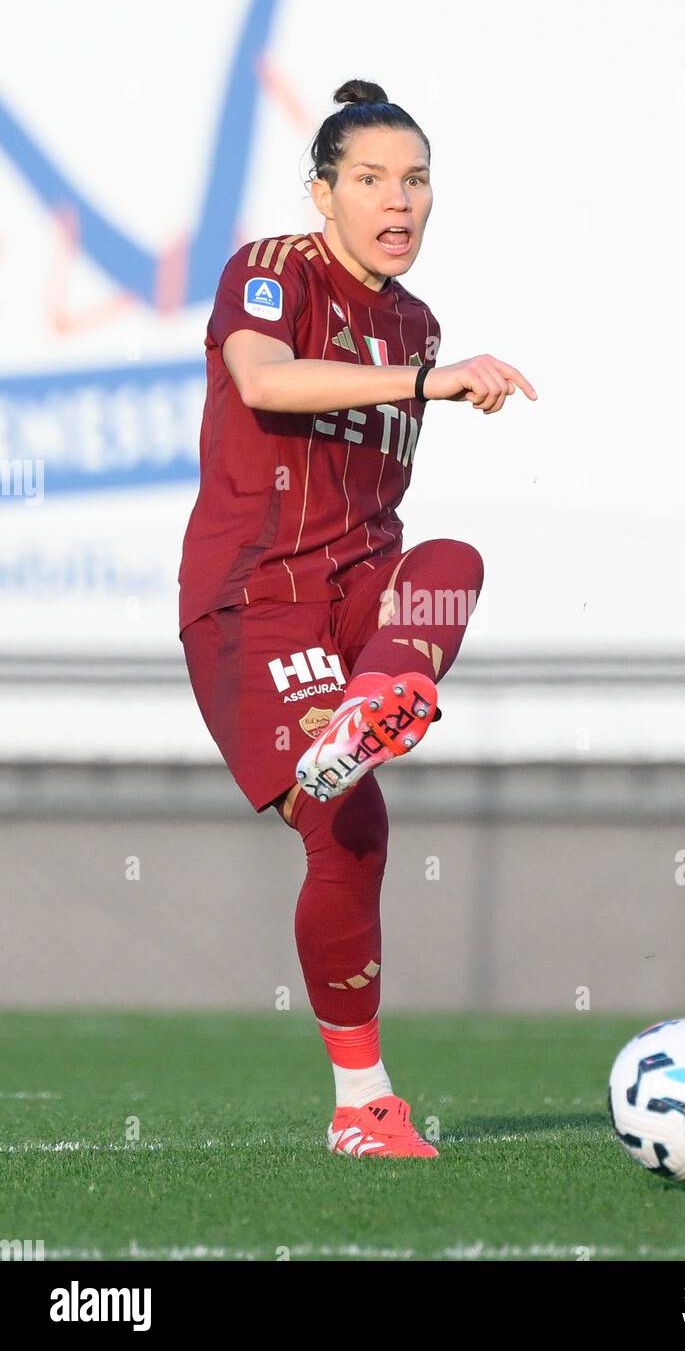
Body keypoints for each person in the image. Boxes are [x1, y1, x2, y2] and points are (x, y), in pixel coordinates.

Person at [178, 77, 537, 1158]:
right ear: (322, 193)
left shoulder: (413, 320)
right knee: (348, 825)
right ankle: (365, 1104)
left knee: (450, 559)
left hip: (359, 595)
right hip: (257, 601)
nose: (400, 200)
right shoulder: (273, 271)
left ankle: (378, 696)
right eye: (372, 179)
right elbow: (263, 384)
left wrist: (423, 371)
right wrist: (427, 384)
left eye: (417, 179)